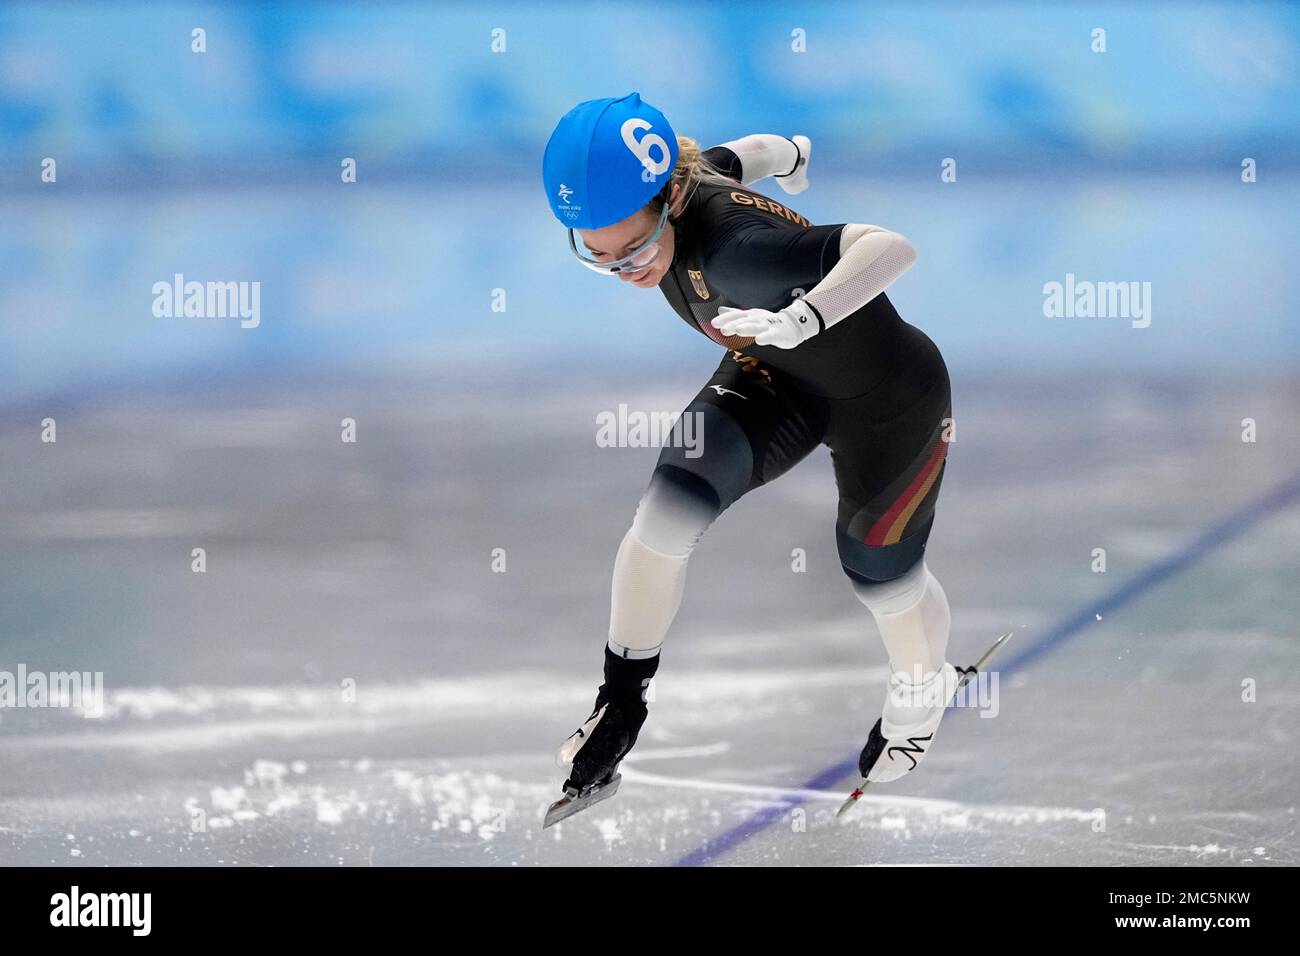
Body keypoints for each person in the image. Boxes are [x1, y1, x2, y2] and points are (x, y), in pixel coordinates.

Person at [543, 92, 959, 800]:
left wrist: (807, 315)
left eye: (635, 247)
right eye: (601, 256)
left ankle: (922, 697)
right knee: (667, 511)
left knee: (881, 581)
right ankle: (621, 698)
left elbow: (891, 247)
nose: (627, 269)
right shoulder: (686, 172)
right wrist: (793, 152)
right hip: (773, 374)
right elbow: (741, 156)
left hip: (887, 402)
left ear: (670, 199)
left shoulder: (740, 247)